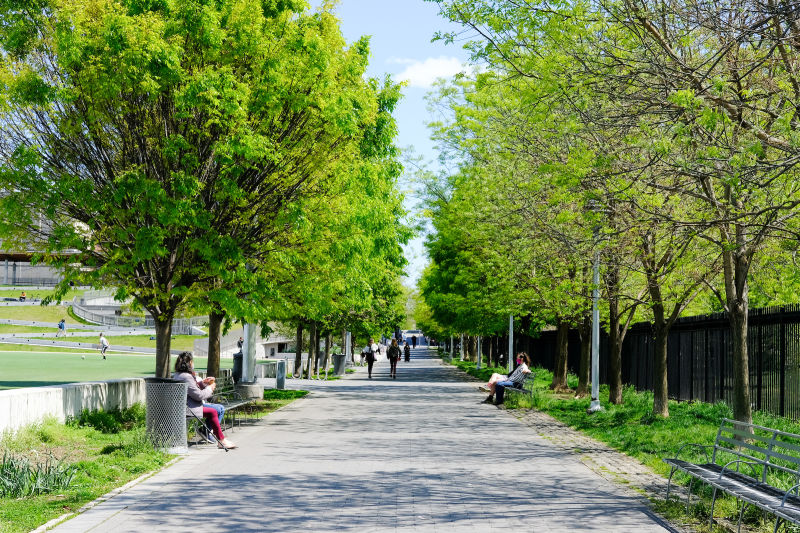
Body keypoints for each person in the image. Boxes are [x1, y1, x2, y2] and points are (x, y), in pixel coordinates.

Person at [172, 351, 236, 449]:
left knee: (215, 410)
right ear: (189, 363)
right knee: (213, 411)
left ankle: (217, 437)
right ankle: (221, 440)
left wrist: (204, 383)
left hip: (185, 406)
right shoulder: (186, 377)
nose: (193, 364)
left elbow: (192, 389)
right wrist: (210, 388)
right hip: (189, 408)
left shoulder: (179, 375)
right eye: (192, 361)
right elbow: (198, 395)